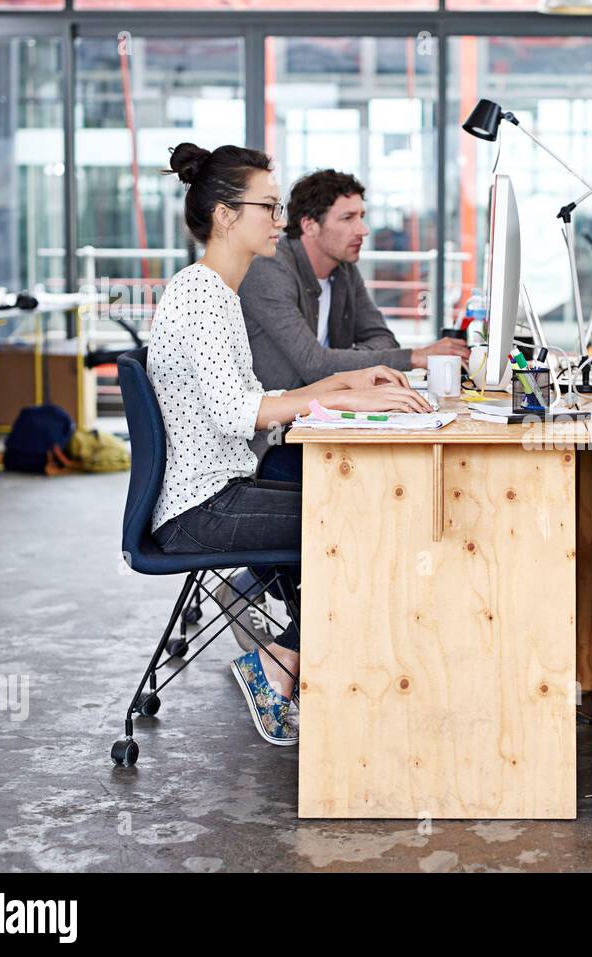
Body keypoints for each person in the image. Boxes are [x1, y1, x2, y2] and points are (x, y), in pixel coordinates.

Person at [147, 143, 432, 747]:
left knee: (353, 502)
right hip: (203, 509)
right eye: (269, 209)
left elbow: (254, 394)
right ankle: (282, 661)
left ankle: (315, 666)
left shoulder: (217, 292)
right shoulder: (202, 296)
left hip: (221, 491)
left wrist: (343, 381)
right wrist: (345, 399)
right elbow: (238, 413)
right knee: (364, 523)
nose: (280, 222)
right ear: (226, 215)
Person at [239, 168, 469, 389]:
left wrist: (338, 360)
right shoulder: (268, 268)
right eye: (348, 218)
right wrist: (415, 357)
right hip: (279, 425)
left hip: (327, 412)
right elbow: (314, 364)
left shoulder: (344, 270)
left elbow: (384, 339)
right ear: (309, 226)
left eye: (362, 216)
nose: (363, 230)